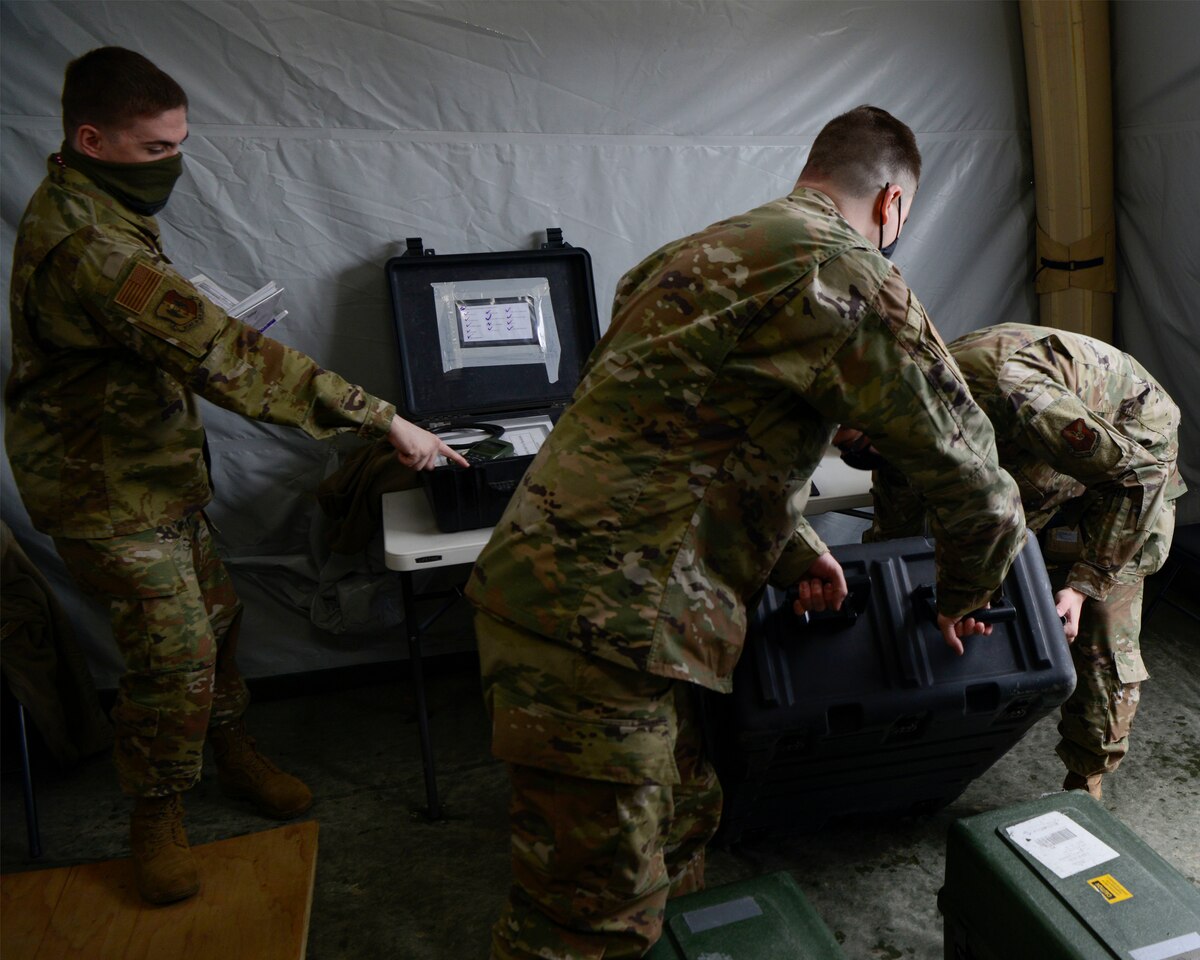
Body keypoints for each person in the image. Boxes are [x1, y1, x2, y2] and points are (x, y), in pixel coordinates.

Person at [465, 104, 1026, 959]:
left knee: (686, 817)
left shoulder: (688, 254)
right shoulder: (849, 276)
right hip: (605, 624)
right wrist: (962, 599)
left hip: (573, 597)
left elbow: (674, 435)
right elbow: (980, 487)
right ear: (892, 206)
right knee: (583, 918)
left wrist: (797, 547)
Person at [3, 46, 467, 905]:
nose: (172, 164)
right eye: (154, 149)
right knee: (173, 655)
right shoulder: (89, 243)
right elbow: (224, 358)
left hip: (149, 473)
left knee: (216, 619)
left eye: (180, 144)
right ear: (92, 138)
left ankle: (231, 752)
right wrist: (382, 418)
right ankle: (157, 814)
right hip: (103, 492)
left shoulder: (93, 197)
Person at [852, 322, 1185, 800]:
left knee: (1098, 631)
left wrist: (1084, 583)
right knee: (983, 573)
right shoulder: (902, 419)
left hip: (1131, 460)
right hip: (1046, 461)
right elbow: (896, 532)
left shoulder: (1013, 393)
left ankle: (1084, 783)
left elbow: (1139, 479)